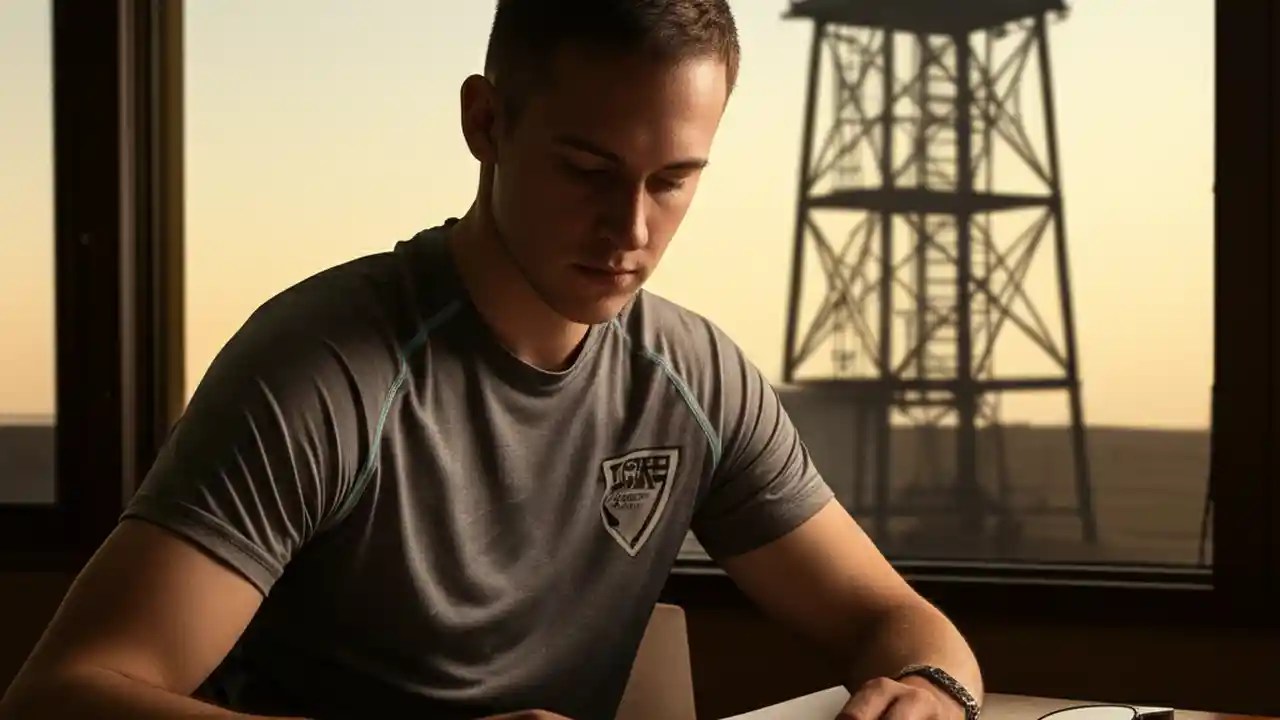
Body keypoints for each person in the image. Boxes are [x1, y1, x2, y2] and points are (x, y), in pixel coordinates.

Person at [0, 1, 983, 719]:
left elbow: (894, 620)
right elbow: (63, 697)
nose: (629, 230)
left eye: (673, 180)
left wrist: (928, 691)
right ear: (486, 123)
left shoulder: (694, 374)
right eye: (587, 171)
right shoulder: (321, 370)